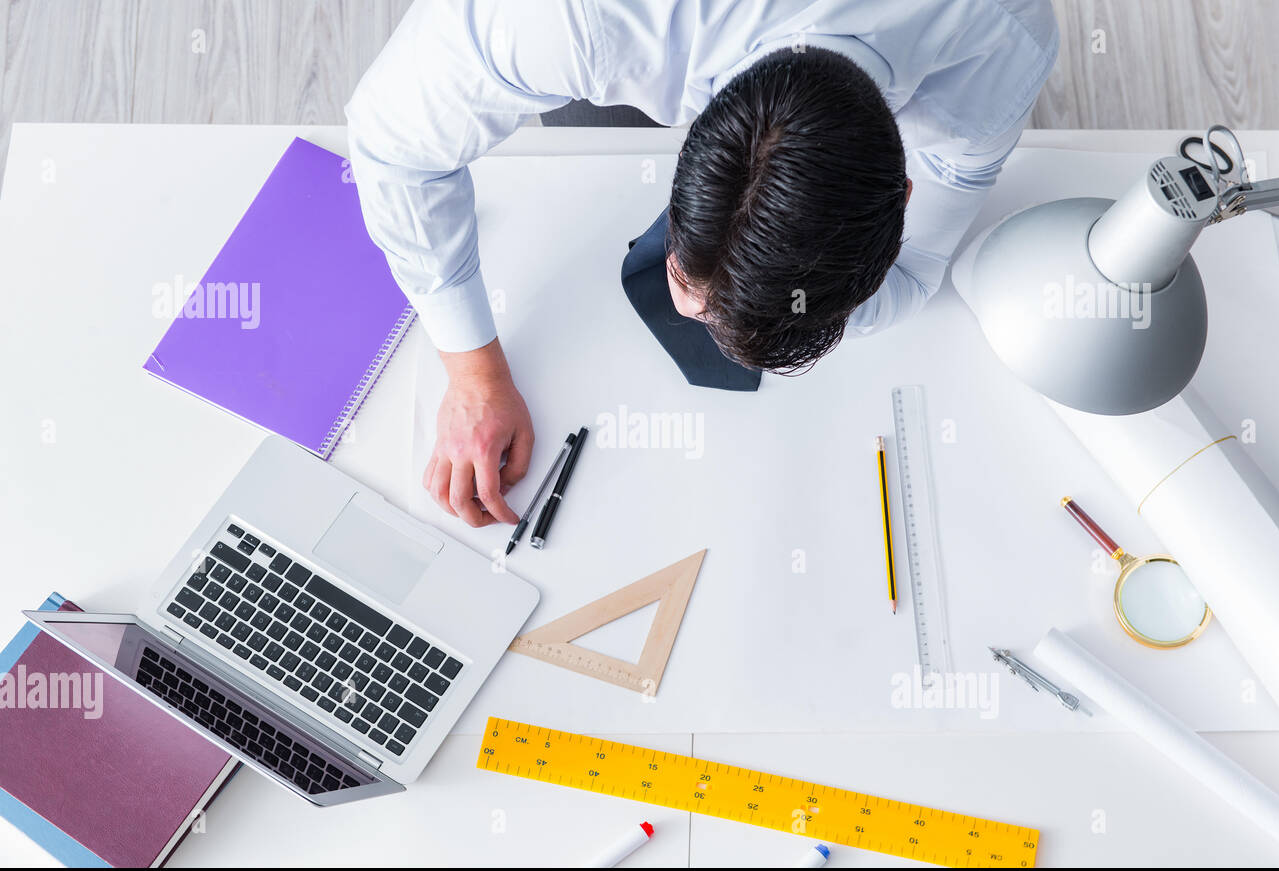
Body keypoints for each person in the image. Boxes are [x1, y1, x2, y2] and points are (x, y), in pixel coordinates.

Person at [345, 0, 1059, 528]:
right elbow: (391, 144)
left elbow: (916, 268)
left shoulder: (1000, 49)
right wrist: (473, 374)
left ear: (903, 194)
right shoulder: (568, 21)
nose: (695, 314)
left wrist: (782, 301)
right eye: (687, 280)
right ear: (689, 152)